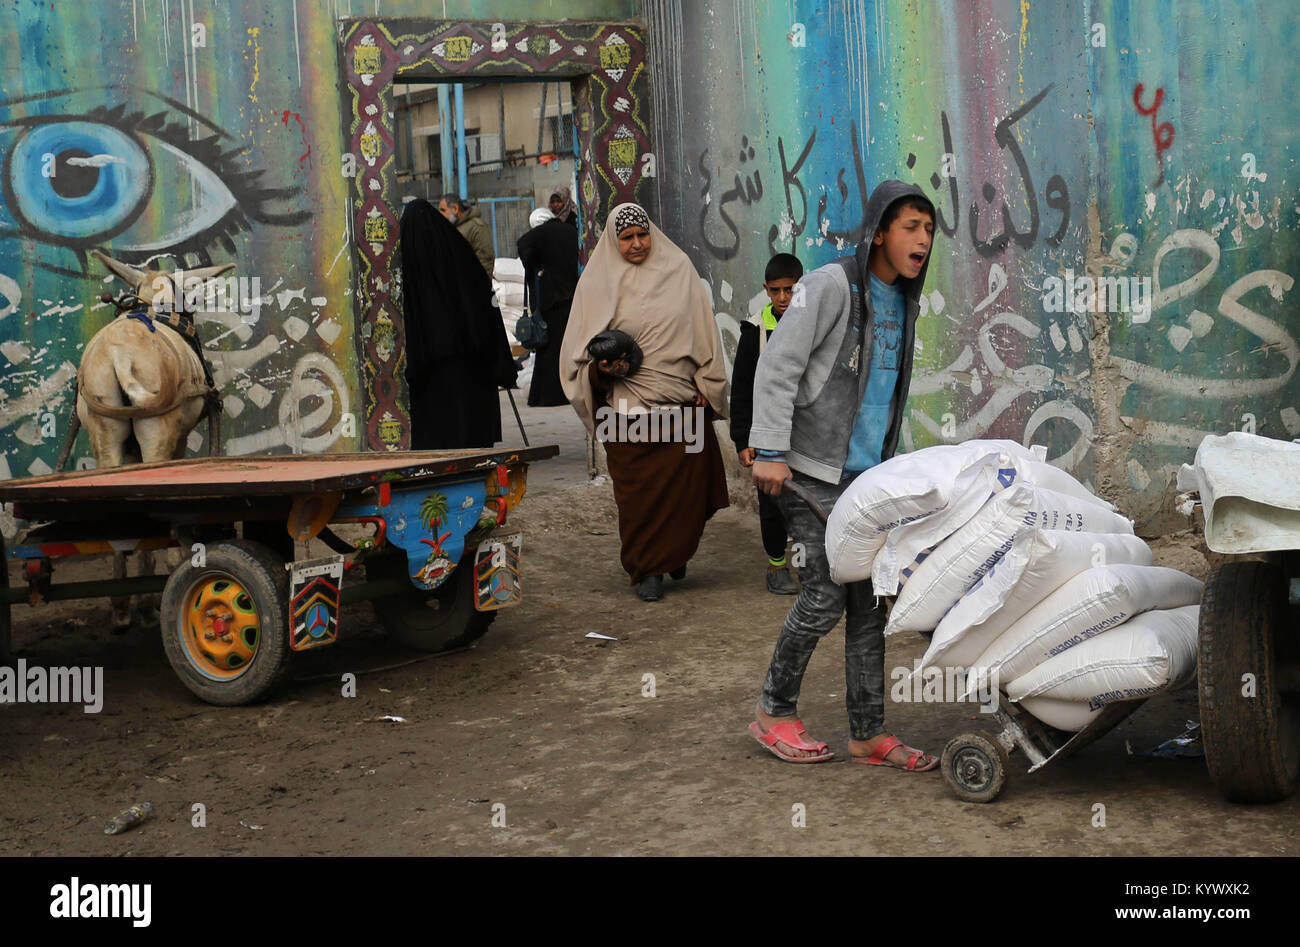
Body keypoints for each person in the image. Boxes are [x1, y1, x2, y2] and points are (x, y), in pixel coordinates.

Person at [747, 181, 940, 771]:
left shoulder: (904, 300)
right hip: (806, 472)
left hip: (865, 480)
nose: (923, 240)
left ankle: (868, 731)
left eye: (930, 231)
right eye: (911, 227)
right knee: (825, 593)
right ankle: (774, 712)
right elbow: (777, 367)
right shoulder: (828, 286)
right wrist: (769, 450)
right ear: (879, 230)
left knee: (869, 602)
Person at [560, 203, 730, 602]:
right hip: (627, 413)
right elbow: (576, 357)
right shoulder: (596, 284)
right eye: (626, 237)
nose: (637, 244)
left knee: (688, 495)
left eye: (642, 235)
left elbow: (705, 331)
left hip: (682, 407)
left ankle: (674, 552)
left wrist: (708, 381)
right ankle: (647, 568)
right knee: (637, 499)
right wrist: (603, 369)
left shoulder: (680, 269)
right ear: (612, 240)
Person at [400, 198, 518, 449]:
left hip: (431, 373)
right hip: (471, 366)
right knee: (469, 426)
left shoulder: (407, 271)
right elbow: (487, 307)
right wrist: (499, 362)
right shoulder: (460, 255)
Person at [730, 253, 803, 595]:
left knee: (808, 503)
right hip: (768, 434)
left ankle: (812, 564)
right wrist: (742, 440)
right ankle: (777, 566)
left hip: (806, 434)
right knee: (771, 504)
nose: (784, 298)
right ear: (766, 290)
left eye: (791, 290)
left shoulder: (813, 326)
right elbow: (742, 389)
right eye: (776, 291)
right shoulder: (755, 332)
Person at [518, 206, 579, 407]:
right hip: (573, 296)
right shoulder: (570, 231)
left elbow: (524, 245)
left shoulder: (540, 234)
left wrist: (537, 265)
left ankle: (547, 395)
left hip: (550, 300)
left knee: (549, 350)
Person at [438, 193, 495, 278]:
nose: (440, 214)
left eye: (443, 210)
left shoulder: (477, 227)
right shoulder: (451, 229)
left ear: (455, 209)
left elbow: (486, 260)